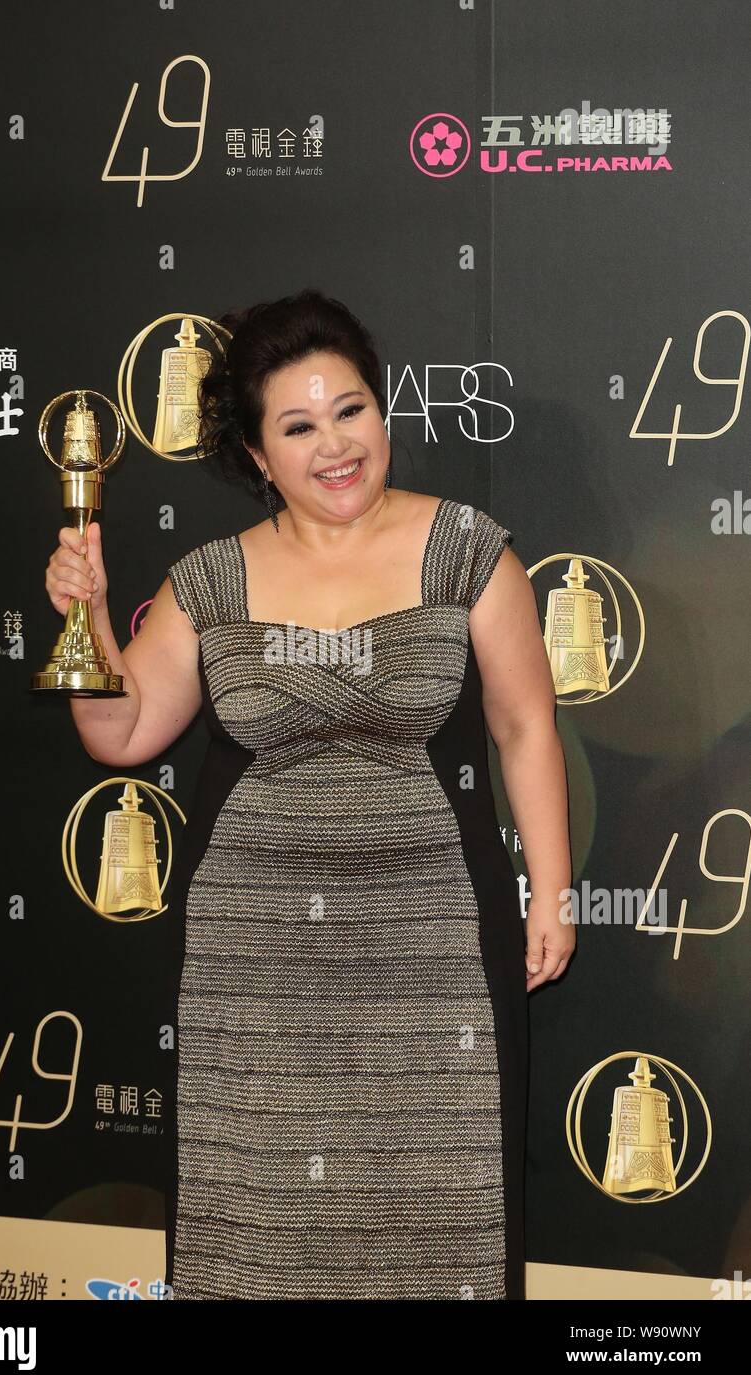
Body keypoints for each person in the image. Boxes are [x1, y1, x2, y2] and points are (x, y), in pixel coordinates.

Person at [45, 288, 574, 1300]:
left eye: (351, 410)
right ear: (255, 453)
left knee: (435, 1211)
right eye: (297, 426)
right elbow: (119, 732)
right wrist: (92, 617)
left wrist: (548, 891)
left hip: (428, 946)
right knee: (254, 1219)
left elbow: (523, 727)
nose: (334, 444)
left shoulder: (466, 551)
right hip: (254, 955)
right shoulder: (208, 580)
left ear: (381, 412)